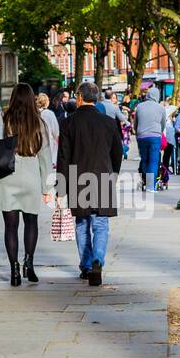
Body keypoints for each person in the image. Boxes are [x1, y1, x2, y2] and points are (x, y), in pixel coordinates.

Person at [0, 83, 52, 286]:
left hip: (8, 175)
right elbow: (45, 156)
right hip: (31, 173)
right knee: (31, 223)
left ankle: (14, 268)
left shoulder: (3, 119)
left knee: (10, 226)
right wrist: (46, 187)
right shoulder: (38, 122)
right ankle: (29, 264)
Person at [57, 81, 122, 287]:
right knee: (101, 224)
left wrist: (61, 188)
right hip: (103, 176)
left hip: (78, 178)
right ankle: (97, 260)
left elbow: (64, 157)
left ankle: (85, 266)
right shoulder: (109, 123)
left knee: (82, 224)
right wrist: (113, 173)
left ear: (79, 97)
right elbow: (117, 153)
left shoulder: (68, 123)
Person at [132, 87, 166, 191]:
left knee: (145, 160)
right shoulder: (161, 108)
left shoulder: (139, 106)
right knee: (153, 161)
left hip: (141, 136)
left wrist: (137, 132)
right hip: (155, 136)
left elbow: (135, 123)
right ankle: (151, 186)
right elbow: (163, 124)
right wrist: (159, 132)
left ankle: (145, 181)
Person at [37, 92, 60, 163]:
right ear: (47, 102)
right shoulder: (50, 114)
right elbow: (56, 132)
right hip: (49, 146)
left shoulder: (34, 113)